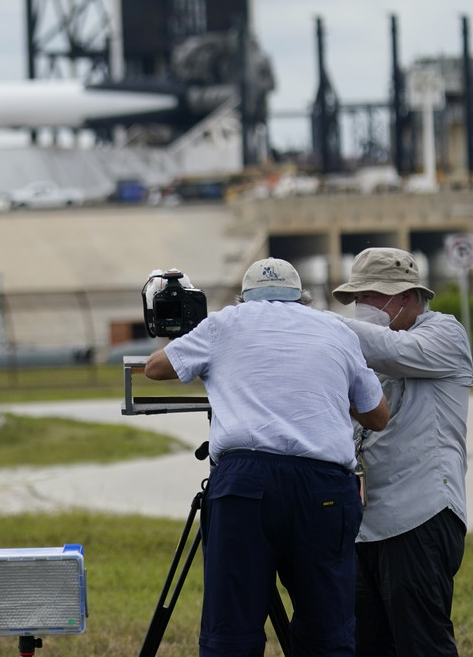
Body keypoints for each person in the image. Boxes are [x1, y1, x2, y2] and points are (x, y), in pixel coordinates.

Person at [145, 257, 389, 657]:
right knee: (327, 630)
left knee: (232, 633)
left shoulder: (225, 323)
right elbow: (378, 416)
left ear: (245, 298)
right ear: (302, 298)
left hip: (244, 486)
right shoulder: (334, 328)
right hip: (323, 487)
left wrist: (191, 342)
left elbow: (156, 368)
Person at [332, 246, 473, 657]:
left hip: (420, 515)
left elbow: (392, 352)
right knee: (365, 646)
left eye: (371, 296)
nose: (361, 307)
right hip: (363, 522)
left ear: (408, 296)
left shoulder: (445, 333)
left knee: (421, 644)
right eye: (356, 298)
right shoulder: (360, 348)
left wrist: (307, 320)